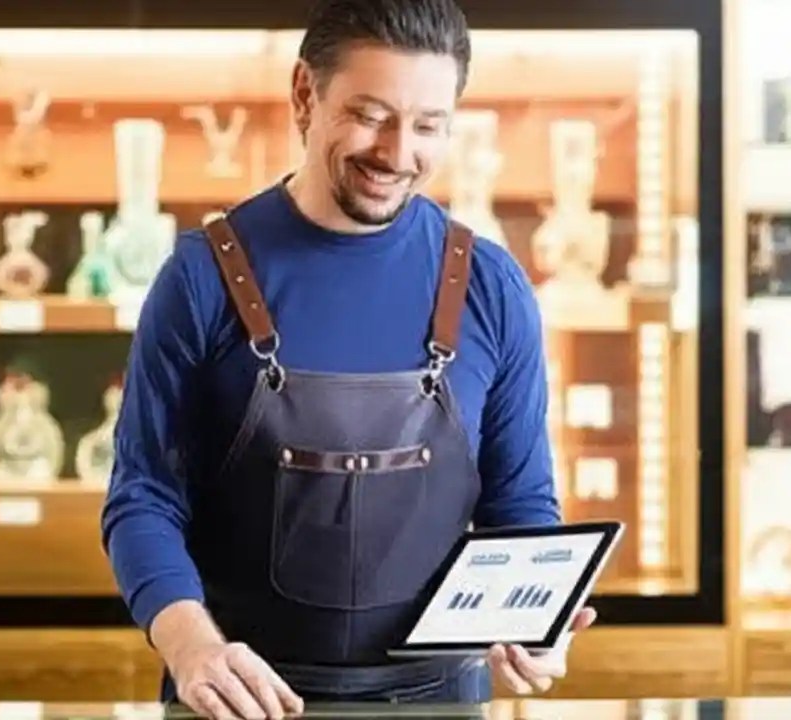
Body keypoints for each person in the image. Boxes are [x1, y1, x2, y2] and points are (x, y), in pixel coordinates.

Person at [100, 0, 595, 716]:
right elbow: (143, 496)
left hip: (444, 701)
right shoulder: (203, 277)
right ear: (305, 94)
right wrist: (190, 647)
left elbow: (519, 501)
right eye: (370, 115)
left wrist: (535, 615)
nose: (397, 153)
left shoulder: (490, 285)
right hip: (243, 701)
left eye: (428, 126)